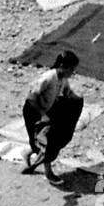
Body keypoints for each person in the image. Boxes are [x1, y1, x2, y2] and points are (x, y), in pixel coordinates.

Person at [22, 50, 80, 184]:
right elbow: (31, 98)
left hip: (46, 112)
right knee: (46, 143)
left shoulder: (63, 79)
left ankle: (27, 152)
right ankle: (48, 173)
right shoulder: (48, 78)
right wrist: (42, 116)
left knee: (48, 141)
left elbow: (67, 93)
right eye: (71, 69)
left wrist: (77, 101)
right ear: (62, 66)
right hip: (33, 111)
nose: (72, 72)